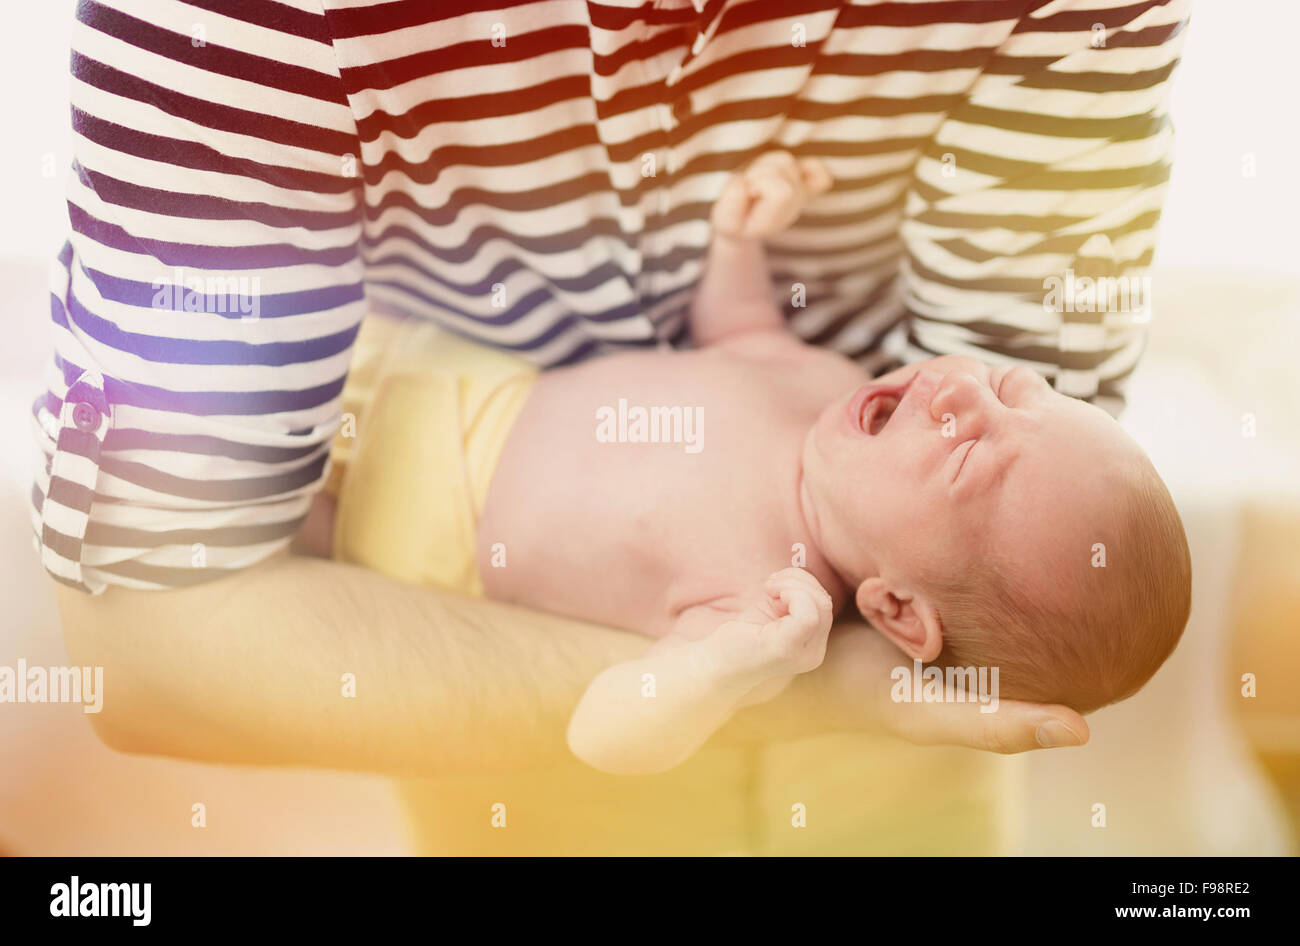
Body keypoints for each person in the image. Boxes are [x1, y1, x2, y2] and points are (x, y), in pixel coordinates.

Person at [40, 0, 1189, 854]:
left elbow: (620, 725)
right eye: (1008, 392)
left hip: (889, 748)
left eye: (973, 455)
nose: (970, 394)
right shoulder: (830, 388)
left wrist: (724, 678)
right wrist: (740, 243)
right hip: (478, 651)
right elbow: (154, 643)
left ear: (892, 609)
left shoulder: (773, 607)